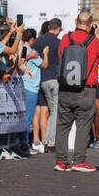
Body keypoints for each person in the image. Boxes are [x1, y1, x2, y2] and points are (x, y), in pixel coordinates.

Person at [54, 10, 99, 172]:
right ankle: (79, 161)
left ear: (75, 22)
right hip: (86, 89)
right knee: (83, 124)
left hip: (65, 88)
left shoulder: (65, 38)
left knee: (63, 125)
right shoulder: (93, 40)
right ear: (91, 25)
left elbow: (60, 55)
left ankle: (62, 161)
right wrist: (97, 35)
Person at [35, 19, 63, 152]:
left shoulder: (38, 41)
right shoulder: (59, 42)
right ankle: (50, 142)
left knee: (44, 112)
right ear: (57, 28)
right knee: (55, 112)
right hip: (54, 80)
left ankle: (42, 140)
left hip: (40, 80)